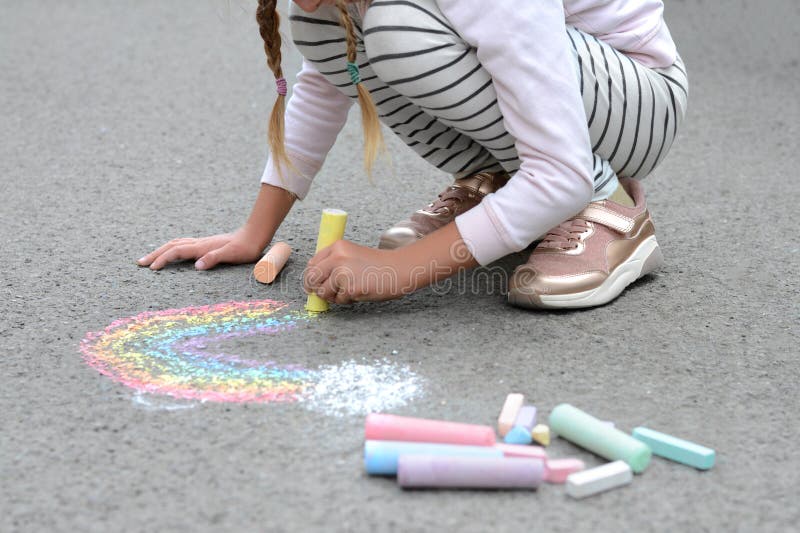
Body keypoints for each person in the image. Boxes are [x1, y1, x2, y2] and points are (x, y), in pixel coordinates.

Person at [138, 0, 688, 309]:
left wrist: (400, 270)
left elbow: (558, 173)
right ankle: (501, 178)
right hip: (577, 95)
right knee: (325, 27)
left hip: (638, 98)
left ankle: (608, 200)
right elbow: (327, 81)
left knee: (399, 32)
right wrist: (253, 234)